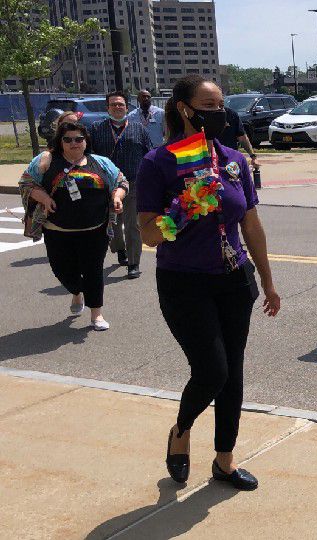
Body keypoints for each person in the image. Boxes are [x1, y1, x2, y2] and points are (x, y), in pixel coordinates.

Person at [137, 75, 281, 491]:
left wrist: (268, 279)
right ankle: (181, 430)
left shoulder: (233, 160)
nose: (219, 113)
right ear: (184, 109)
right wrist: (184, 206)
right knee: (211, 371)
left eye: (221, 105)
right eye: (208, 106)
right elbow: (148, 235)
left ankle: (224, 460)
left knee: (232, 373)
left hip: (234, 279)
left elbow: (251, 224)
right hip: (184, 283)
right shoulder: (158, 163)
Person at [18, 122, 127, 330]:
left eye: (78, 139)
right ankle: (76, 291)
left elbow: (121, 182)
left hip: (95, 231)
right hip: (57, 231)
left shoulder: (101, 162)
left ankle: (96, 314)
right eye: (68, 139)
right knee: (62, 271)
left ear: (86, 141)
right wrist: (44, 198)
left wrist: (117, 198)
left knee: (93, 271)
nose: (74, 143)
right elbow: (26, 183)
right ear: (60, 142)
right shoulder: (46, 162)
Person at [90, 91, 153, 279]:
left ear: (127, 107)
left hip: (133, 183)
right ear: (107, 108)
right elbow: (90, 156)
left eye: (121, 104)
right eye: (113, 104)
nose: (117, 107)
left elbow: (149, 154)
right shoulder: (97, 128)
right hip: (107, 185)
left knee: (133, 224)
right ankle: (120, 248)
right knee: (114, 223)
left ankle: (134, 263)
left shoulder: (138, 128)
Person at [216, 106, 260, 171]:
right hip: (209, 159)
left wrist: (253, 157)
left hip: (230, 159)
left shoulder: (231, 114)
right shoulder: (204, 115)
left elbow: (242, 137)